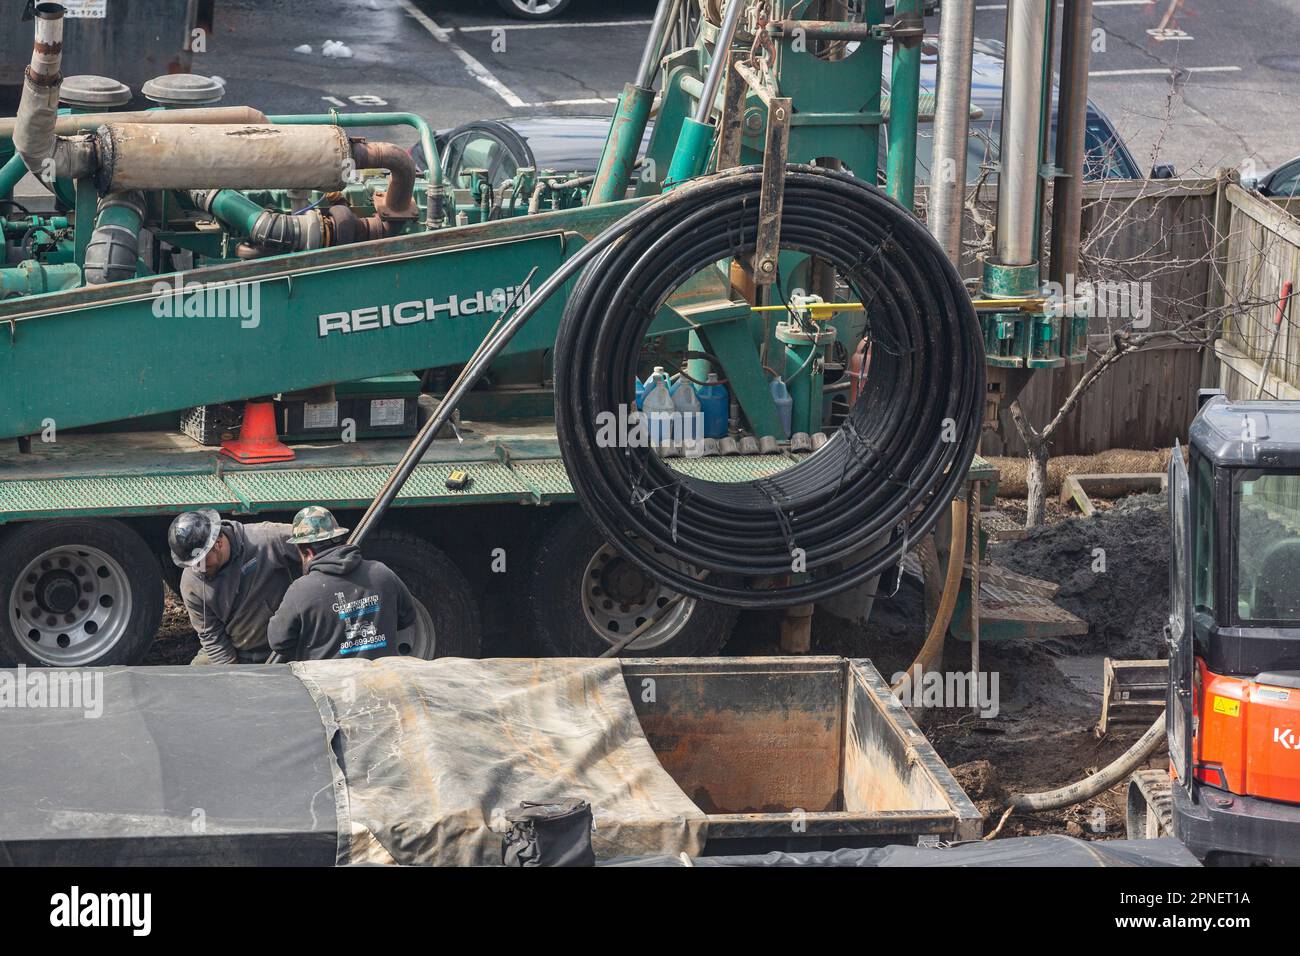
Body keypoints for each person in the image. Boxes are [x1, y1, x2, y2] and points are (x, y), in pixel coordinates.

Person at [267, 506, 417, 661]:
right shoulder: (382, 573)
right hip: (379, 681)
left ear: (308, 553)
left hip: (327, 683)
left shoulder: (301, 590)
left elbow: (279, 642)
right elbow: (408, 618)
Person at [168, 509, 301, 665]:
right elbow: (212, 637)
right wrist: (233, 676)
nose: (199, 569)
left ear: (218, 543)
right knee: (196, 679)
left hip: (286, 644)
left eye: (202, 560)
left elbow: (317, 548)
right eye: (193, 564)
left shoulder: (265, 539)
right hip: (236, 648)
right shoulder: (191, 583)